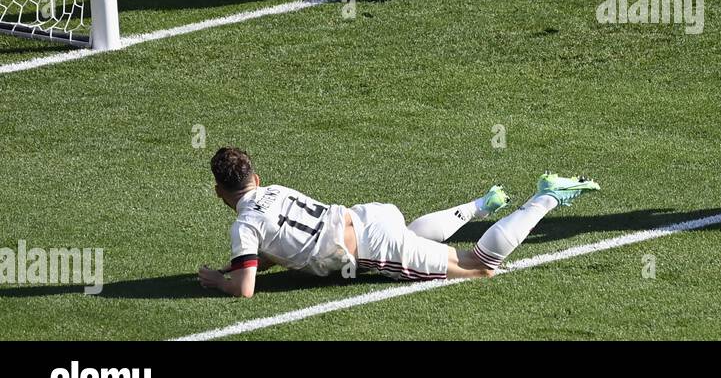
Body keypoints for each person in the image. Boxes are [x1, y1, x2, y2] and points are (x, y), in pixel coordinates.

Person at [198, 147, 598, 297]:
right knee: (409, 238)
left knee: (478, 268)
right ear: (257, 178)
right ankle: (482, 203)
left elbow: (246, 290)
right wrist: (243, 265)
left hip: (371, 249)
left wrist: (222, 281)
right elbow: (279, 245)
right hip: (372, 215)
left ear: (220, 192)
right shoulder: (276, 190)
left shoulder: (243, 226)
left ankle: (547, 195)